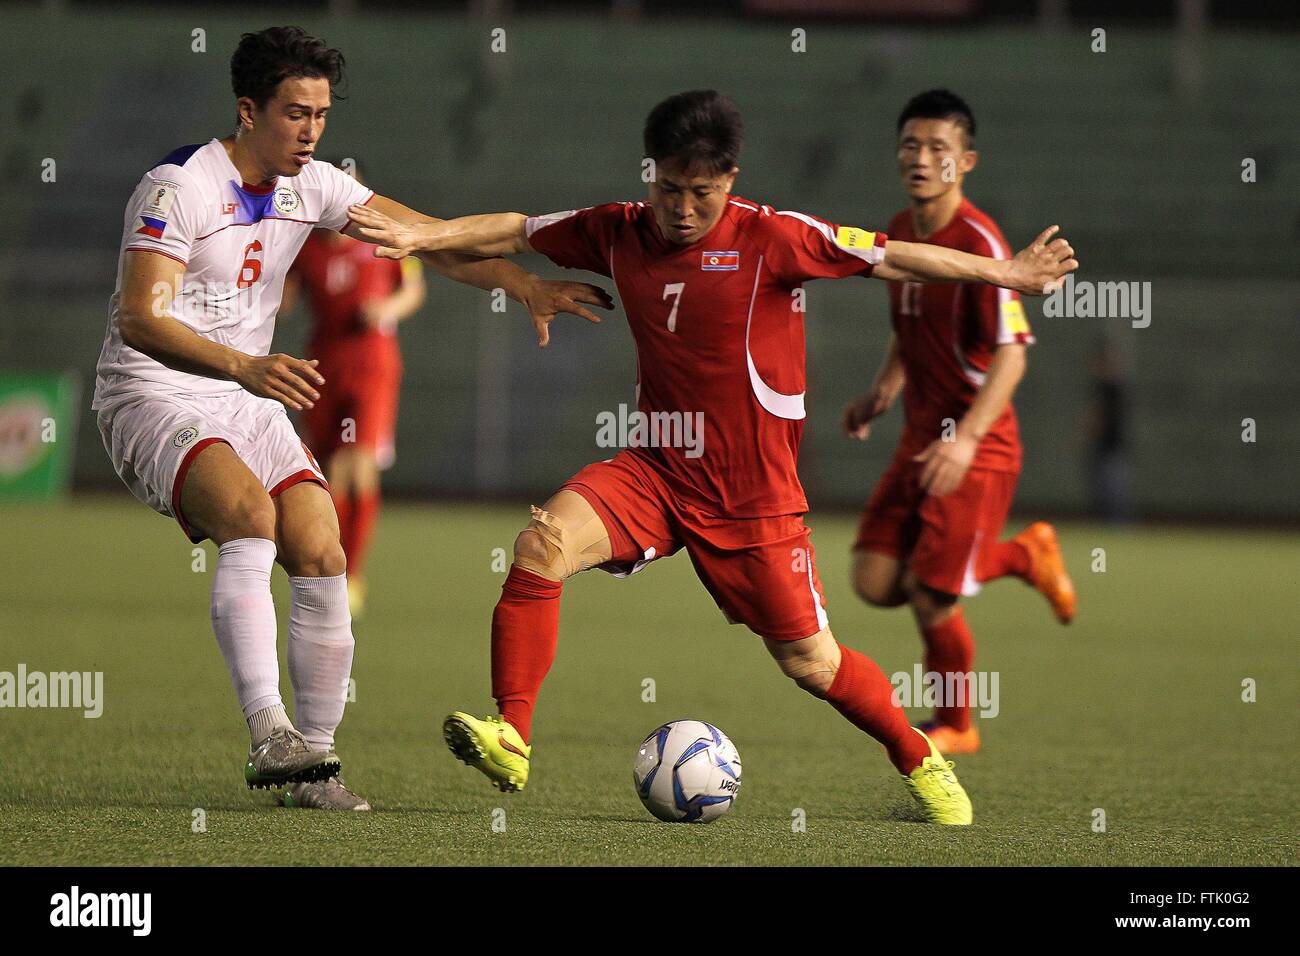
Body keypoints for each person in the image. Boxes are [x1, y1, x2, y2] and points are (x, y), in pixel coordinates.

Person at [348, 89, 1078, 824]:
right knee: (541, 545)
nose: (683, 208)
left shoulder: (777, 238)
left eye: (702, 192)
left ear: (730, 179)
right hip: (657, 470)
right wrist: (426, 235)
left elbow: (892, 259)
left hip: (754, 500)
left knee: (812, 665)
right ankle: (512, 733)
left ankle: (920, 757)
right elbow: (516, 226)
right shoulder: (617, 228)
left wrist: (1007, 275)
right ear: (650, 175)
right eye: (669, 188)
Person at [92, 26, 611, 811]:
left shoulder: (316, 185)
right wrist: (244, 365)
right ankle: (270, 731)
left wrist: (520, 282)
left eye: (323, 114)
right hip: (153, 391)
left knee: (321, 547)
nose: (311, 131)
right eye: (295, 113)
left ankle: (317, 766)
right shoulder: (179, 188)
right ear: (247, 110)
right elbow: (139, 319)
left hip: (242, 393)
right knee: (248, 516)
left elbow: (423, 240)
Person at [842, 90, 1078, 756]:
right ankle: (1023, 555)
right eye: (910, 146)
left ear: (965, 161)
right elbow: (906, 329)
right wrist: (881, 390)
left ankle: (958, 724)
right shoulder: (896, 231)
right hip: (919, 439)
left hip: (978, 444)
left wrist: (968, 440)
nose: (920, 159)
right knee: (872, 579)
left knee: (929, 594)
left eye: (937, 149)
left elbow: (1012, 354)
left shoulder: (980, 243)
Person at [286, 170, 427, 617]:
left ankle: (352, 574)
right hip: (324, 363)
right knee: (328, 468)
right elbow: (280, 299)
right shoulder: (303, 250)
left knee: (357, 462)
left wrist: (386, 308)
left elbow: (413, 290)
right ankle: (329, 568)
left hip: (373, 362)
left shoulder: (383, 241)